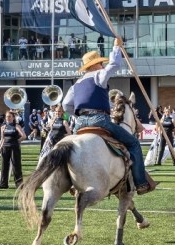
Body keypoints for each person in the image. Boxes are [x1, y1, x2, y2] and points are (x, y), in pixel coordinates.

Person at [61, 38, 158, 195]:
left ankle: (72, 182)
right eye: (100, 63)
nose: (102, 65)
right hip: (99, 120)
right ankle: (140, 183)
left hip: (80, 123)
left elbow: (66, 105)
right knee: (133, 143)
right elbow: (114, 65)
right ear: (94, 65)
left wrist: (78, 115)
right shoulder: (98, 75)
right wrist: (116, 48)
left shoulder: (76, 84)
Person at [0, 111, 25, 189]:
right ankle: (3, 184)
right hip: (5, 147)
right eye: (7, 116)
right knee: (4, 165)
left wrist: (17, 141)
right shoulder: (3, 127)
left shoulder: (16, 126)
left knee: (16, 165)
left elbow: (24, 136)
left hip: (14, 148)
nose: (8, 118)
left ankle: (19, 184)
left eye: (9, 116)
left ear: (13, 117)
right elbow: (2, 139)